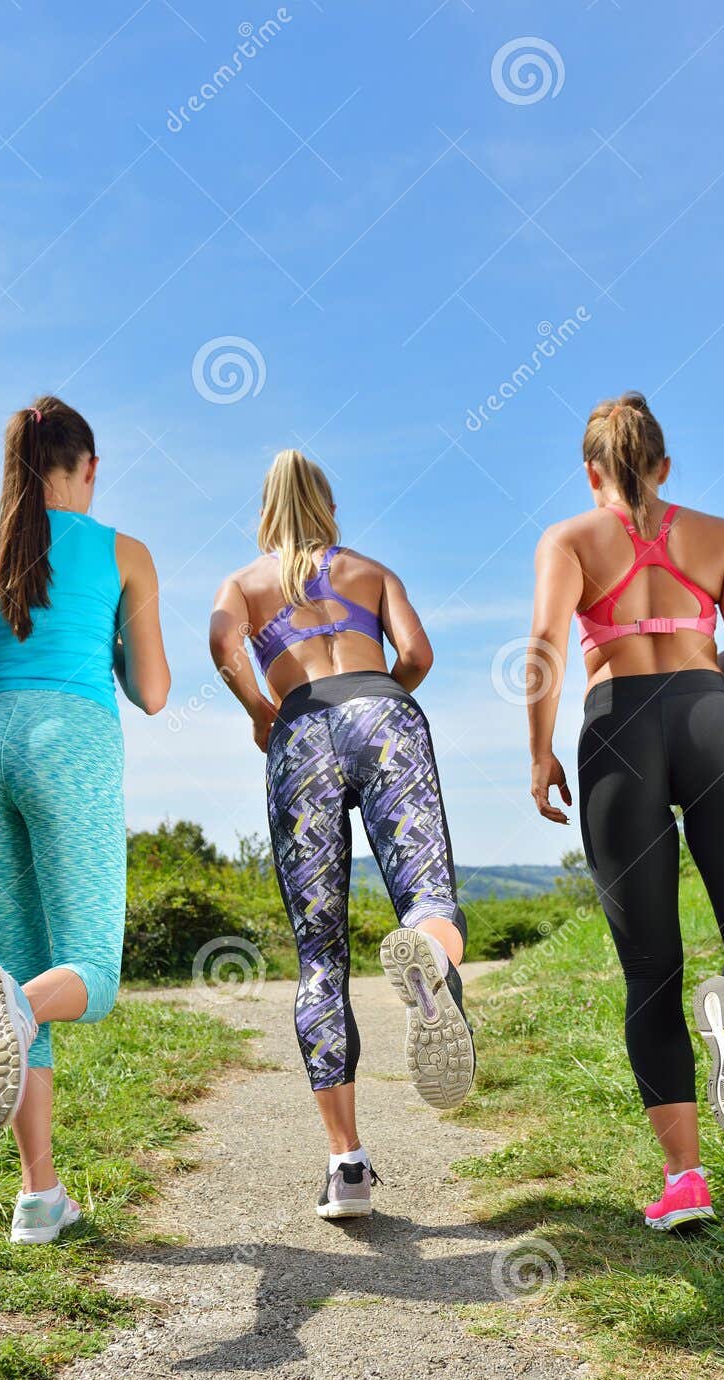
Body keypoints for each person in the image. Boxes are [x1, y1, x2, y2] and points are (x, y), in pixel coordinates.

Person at [527, 393, 724, 1231]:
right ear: (665, 466)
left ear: (591, 471)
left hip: (616, 733)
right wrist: (700, 679)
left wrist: (539, 752)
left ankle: (686, 1182)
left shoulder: (569, 539)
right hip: (712, 717)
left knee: (651, 970)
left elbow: (542, 649)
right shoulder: (720, 536)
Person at [0, 395, 170, 1243]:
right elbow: (153, 693)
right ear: (88, 468)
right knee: (85, 979)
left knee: (19, 971)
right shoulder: (124, 552)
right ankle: (17, 1014)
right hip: (73, 745)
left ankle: (39, 1199)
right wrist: (108, 641)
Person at [209, 449, 473, 1220]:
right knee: (428, 896)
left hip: (301, 732)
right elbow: (419, 654)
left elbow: (223, 646)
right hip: (383, 713)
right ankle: (427, 958)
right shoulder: (372, 570)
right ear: (327, 503)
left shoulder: (245, 584)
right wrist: (384, 695)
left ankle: (346, 1166)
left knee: (320, 952)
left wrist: (264, 709)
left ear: (265, 509)